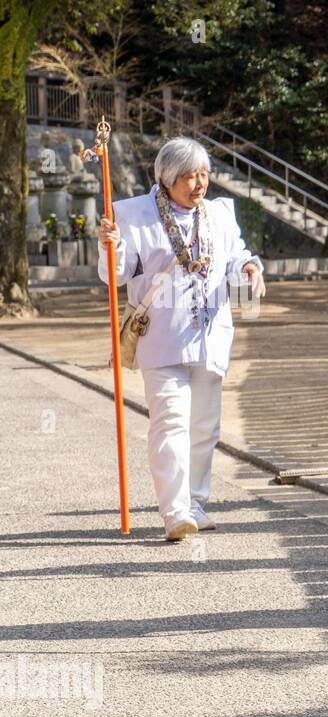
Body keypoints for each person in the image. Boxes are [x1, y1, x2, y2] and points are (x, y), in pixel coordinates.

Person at [97, 137, 265, 541]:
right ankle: (174, 511)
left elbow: (235, 252)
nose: (199, 183)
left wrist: (249, 267)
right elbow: (114, 276)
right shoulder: (131, 214)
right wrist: (111, 246)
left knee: (204, 425)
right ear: (166, 179)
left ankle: (195, 501)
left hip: (211, 333)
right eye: (189, 177)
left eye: (203, 174)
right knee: (170, 420)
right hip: (162, 336)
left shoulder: (220, 213)